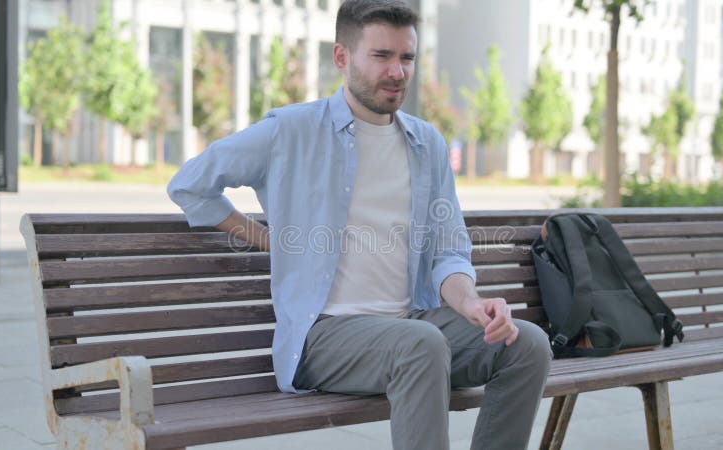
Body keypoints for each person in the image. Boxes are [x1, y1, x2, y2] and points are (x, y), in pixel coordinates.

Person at [167, 1, 551, 448]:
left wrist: (470, 303)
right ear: (342, 58)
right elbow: (190, 184)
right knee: (420, 344)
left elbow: (448, 249)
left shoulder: (426, 144)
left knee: (526, 344)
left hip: (411, 323)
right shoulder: (289, 131)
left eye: (406, 57)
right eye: (381, 56)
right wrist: (268, 239)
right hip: (325, 336)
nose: (397, 72)